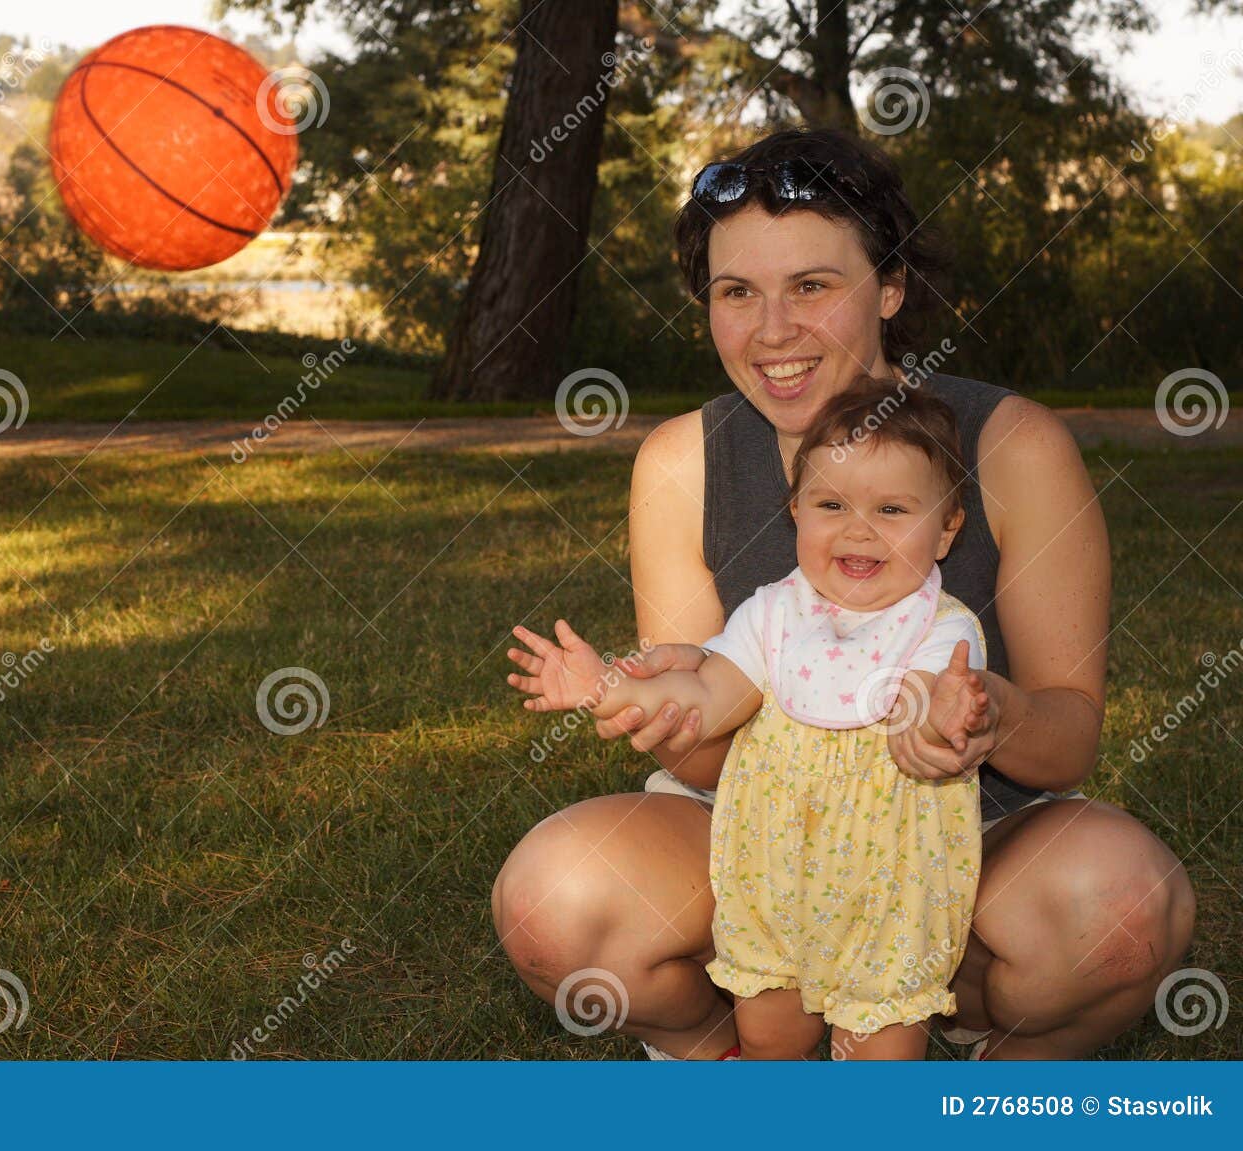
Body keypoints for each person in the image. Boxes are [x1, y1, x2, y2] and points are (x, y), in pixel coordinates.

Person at [494, 127, 1196, 1060]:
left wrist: (989, 720)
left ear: (891, 288)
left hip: (963, 831)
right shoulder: (681, 463)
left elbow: (1069, 733)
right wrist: (671, 712)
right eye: (736, 291)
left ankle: (974, 1085)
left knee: (1127, 909)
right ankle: (744, 1071)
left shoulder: (1011, 447)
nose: (771, 330)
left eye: (812, 286)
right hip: (758, 828)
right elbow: (705, 754)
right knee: (551, 902)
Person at [514, 379, 994, 1059]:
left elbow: (924, 710)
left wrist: (948, 711)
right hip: (770, 885)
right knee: (769, 1041)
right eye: (831, 504)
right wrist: (608, 687)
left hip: (892, 899)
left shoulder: (943, 631)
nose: (859, 528)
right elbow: (707, 696)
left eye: (892, 509)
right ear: (795, 511)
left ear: (947, 528)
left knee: (880, 1054)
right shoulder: (771, 615)